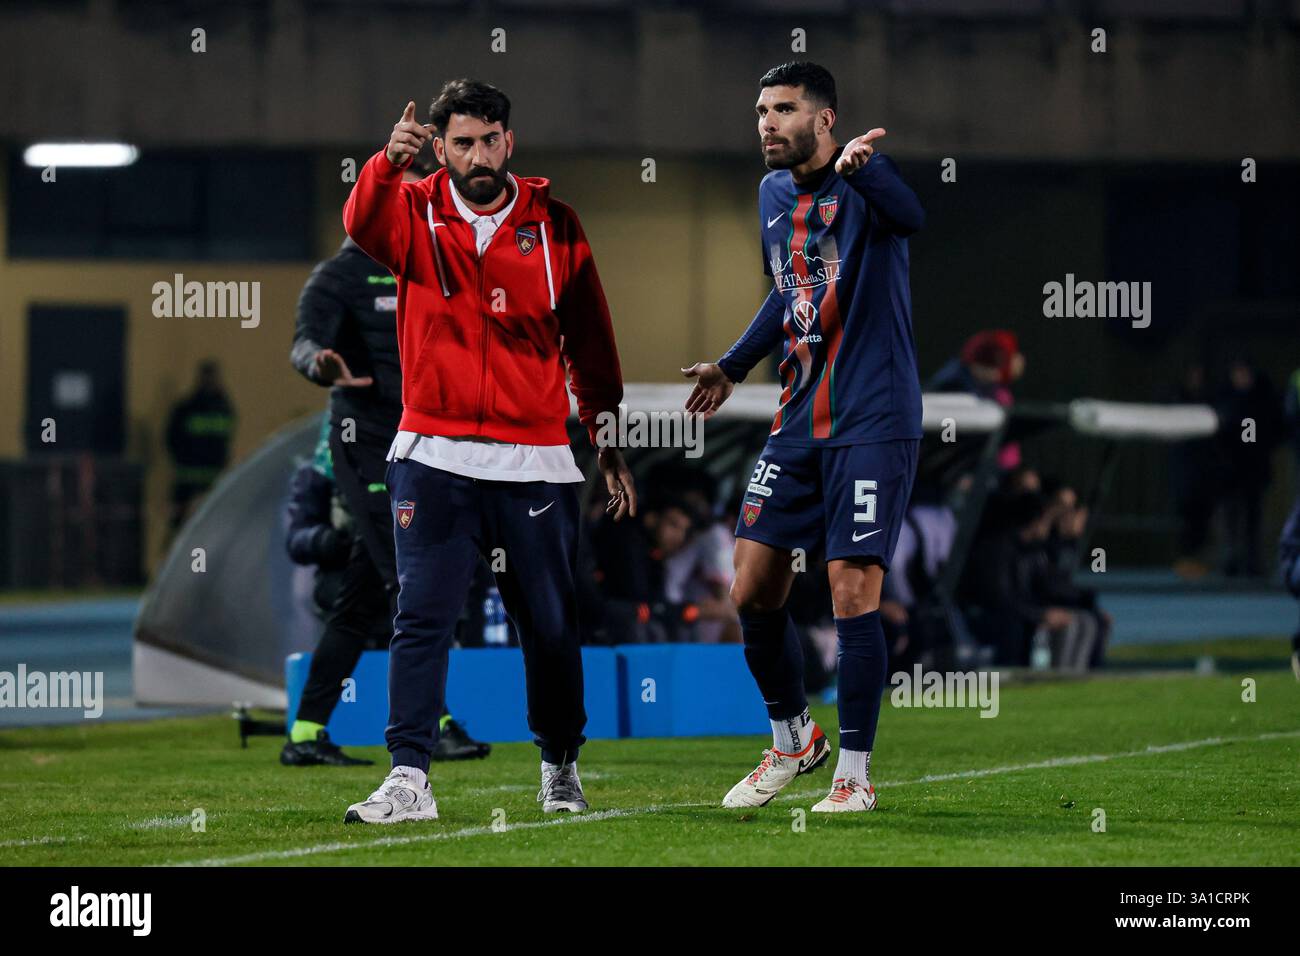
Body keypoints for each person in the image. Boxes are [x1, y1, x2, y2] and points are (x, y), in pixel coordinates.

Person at [340, 79, 636, 823]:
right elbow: (361, 225)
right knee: (422, 617)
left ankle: (560, 767)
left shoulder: (557, 225)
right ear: (440, 147)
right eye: (462, 142)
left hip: (532, 458)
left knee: (549, 623)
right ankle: (408, 777)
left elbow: (592, 344)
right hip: (432, 452)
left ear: (511, 141)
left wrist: (606, 438)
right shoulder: (411, 209)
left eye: (489, 139)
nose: (478, 154)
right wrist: (385, 164)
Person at [682, 61, 925, 813]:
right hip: (798, 421)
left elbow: (912, 217)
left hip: (872, 422)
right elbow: (788, 294)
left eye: (783, 109)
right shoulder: (768, 195)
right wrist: (731, 366)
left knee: (853, 592)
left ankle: (854, 776)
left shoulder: (866, 189)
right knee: (752, 587)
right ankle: (795, 740)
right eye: (760, 109)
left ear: (824, 119)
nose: (766, 123)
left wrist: (869, 168)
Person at [280, 416, 489, 765]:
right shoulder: (346, 439)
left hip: (382, 509)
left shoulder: (366, 418)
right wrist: (332, 541)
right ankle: (434, 724)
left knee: (358, 612)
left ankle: (305, 732)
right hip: (356, 538)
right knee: (407, 601)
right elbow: (298, 536)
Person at [166, 360, 235, 529]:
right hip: (190, 478)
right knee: (183, 527)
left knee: (208, 528)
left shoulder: (223, 408)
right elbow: (172, 439)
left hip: (210, 479)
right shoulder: (189, 409)